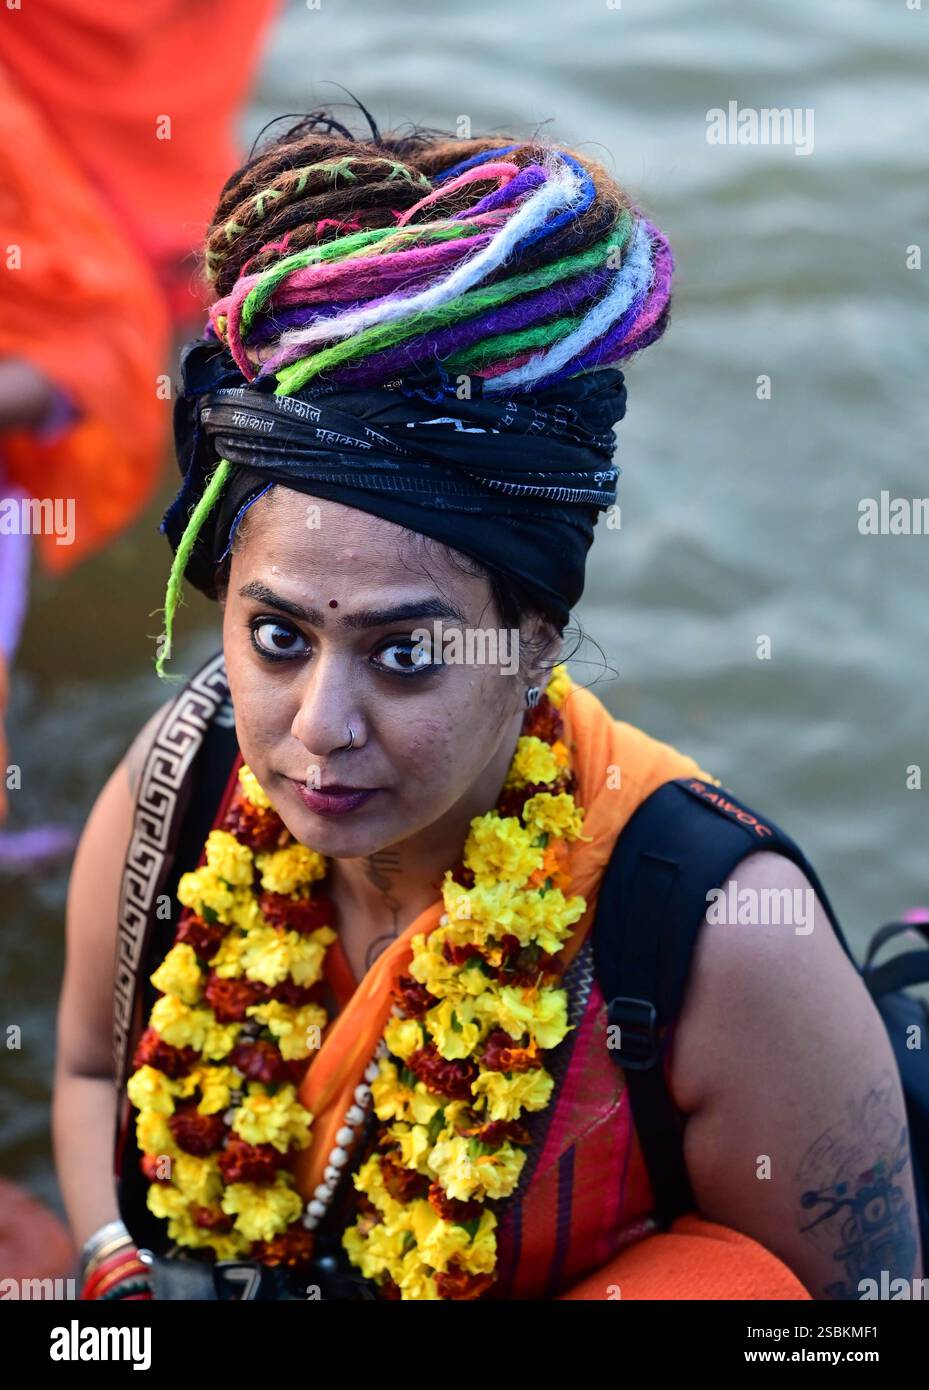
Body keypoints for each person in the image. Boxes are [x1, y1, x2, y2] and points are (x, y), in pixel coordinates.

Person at [54, 111, 923, 1302]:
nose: (316, 724)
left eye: (403, 653)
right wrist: (117, 1274)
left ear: (533, 646)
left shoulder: (717, 940)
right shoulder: (182, 776)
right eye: (276, 636)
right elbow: (92, 1070)